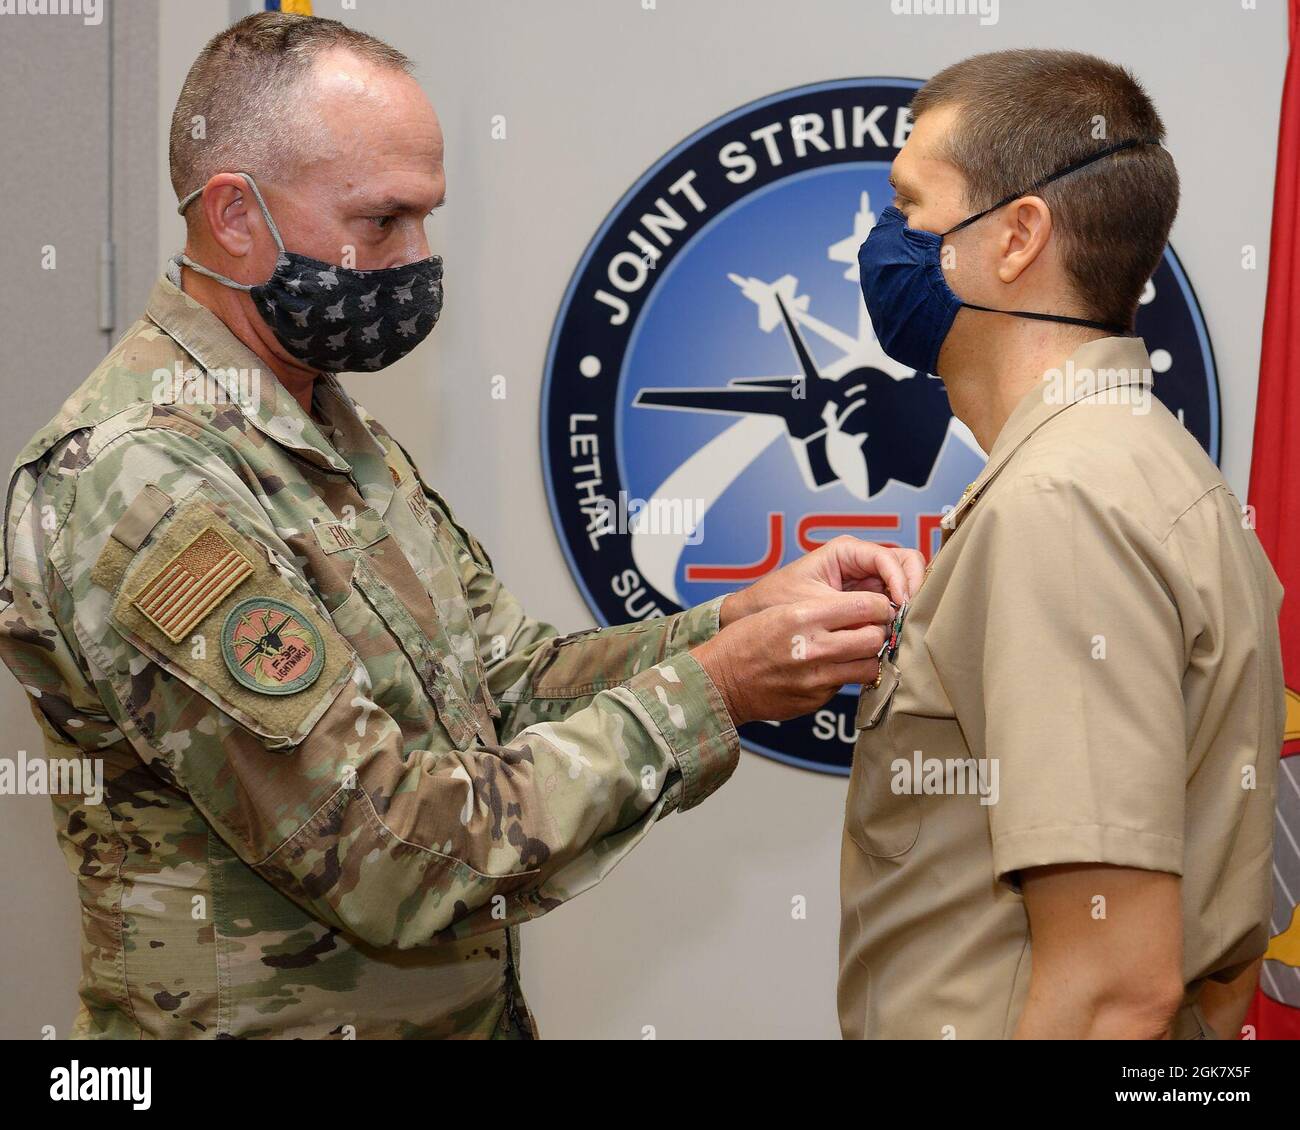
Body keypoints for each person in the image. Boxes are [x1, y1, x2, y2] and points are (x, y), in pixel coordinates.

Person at [0, 12, 916, 1039]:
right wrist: (718, 688)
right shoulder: (144, 479)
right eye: (382, 221)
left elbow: (507, 690)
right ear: (235, 216)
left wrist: (741, 617)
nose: (416, 260)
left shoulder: (332, 432)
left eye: (427, 219)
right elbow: (392, 855)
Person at [846, 47, 1285, 1039]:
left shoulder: (1062, 504)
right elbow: (1204, 968)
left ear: (1016, 238)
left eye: (910, 206)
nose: (882, 243)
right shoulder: (1144, 464)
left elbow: (1109, 992)